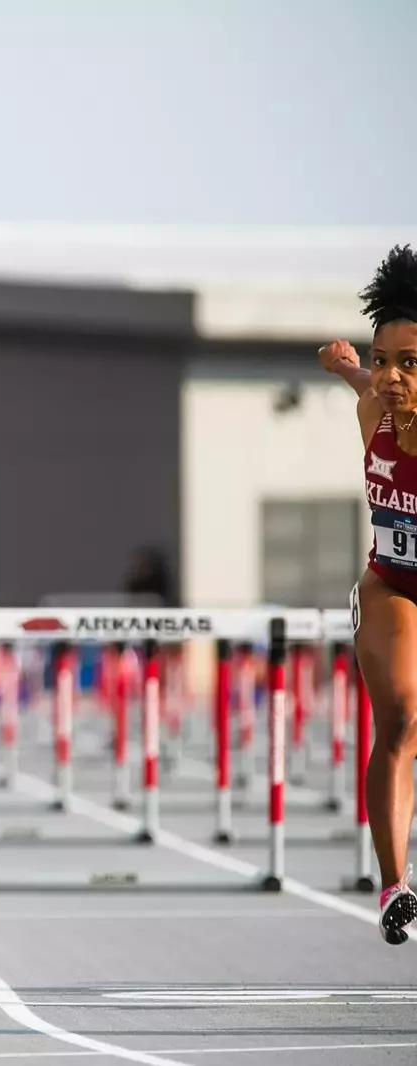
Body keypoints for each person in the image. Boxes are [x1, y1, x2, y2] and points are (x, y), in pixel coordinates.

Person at [320, 242, 417, 945]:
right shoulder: (371, 410)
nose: (390, 378)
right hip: (393, 583)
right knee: (404, 719)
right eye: (384, 361)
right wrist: (345, 364)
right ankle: (394, 886)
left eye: (409, 365)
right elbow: (359, 380)